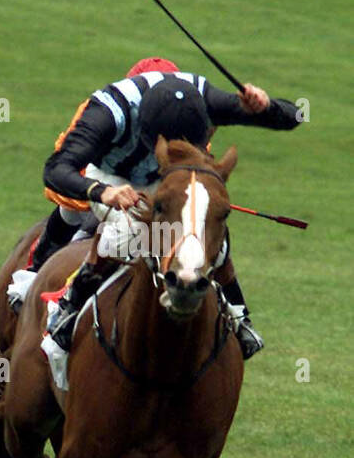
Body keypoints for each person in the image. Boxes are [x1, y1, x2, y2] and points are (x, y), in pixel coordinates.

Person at [34, 64, 302, 359]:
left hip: (173, 176)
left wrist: (267, 106)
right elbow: (56, 169)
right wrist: (103, 191)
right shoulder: (108, 111)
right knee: (128, 233)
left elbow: (294, 117)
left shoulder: (205, 100)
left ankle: (238, 315)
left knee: (205, 219)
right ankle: (71, 305)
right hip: (112, 175)